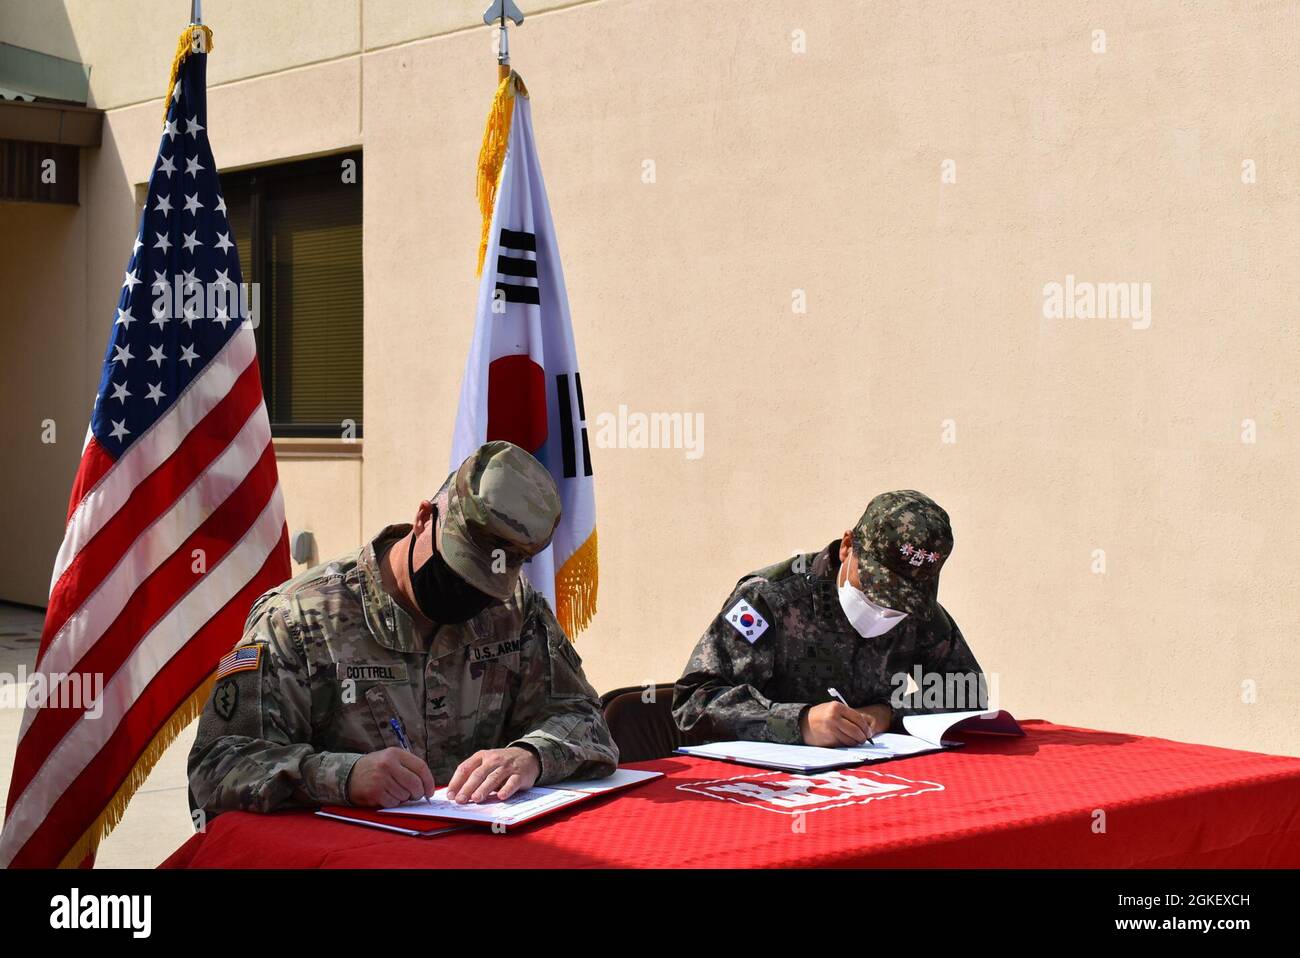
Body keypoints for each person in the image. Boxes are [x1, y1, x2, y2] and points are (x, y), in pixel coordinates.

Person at [188, 440, 617, 820]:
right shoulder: (300, 620)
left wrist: (531, 756)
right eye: (460, 570)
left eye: (486, 585)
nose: (468, 596)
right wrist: (342, 776)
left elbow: (583, 718)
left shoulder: (515, 609)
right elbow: (216, 767)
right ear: (424, 518)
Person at [672, 490, 986, 746]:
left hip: (878, 780)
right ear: (847, 547)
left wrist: (889, 714)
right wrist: (799, 722)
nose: (885, 607)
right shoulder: (771, 599)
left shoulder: (917, 609)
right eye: (877, 587)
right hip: (775, 791)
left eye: (901, 600)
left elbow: (968, 691)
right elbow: (694, 704)